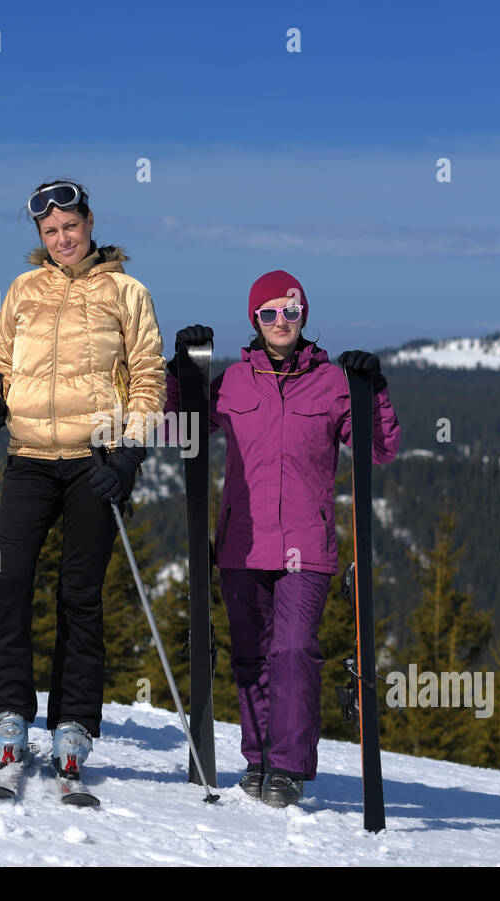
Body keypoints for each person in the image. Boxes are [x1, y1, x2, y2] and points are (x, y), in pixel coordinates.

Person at [163, 270, 400, 807]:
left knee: (293, 650)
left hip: (307, 546)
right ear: (255, 320)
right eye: (268, 313)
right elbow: (178, 428)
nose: (280, 321)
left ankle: (289, 765)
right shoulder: (233, 382)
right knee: (250, 654)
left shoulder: (333, 382)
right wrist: (180, 371)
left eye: (289, 312)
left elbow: (379, 449)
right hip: (241, 546)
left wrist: (373, 391)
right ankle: (258, 758)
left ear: (304, 316)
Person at [0, 180, 165, 782]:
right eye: (50, 232)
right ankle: (8, 713)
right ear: (40, 237)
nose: (63, 240)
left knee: (80, 596)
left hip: (95, 462)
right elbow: (1, 359)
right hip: (28, 456)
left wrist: (128, 457)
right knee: (7, 584)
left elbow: (149, 376)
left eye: (70, 227)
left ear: (89, 223)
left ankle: (73, 722)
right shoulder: (24, 290)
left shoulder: (127, 292)